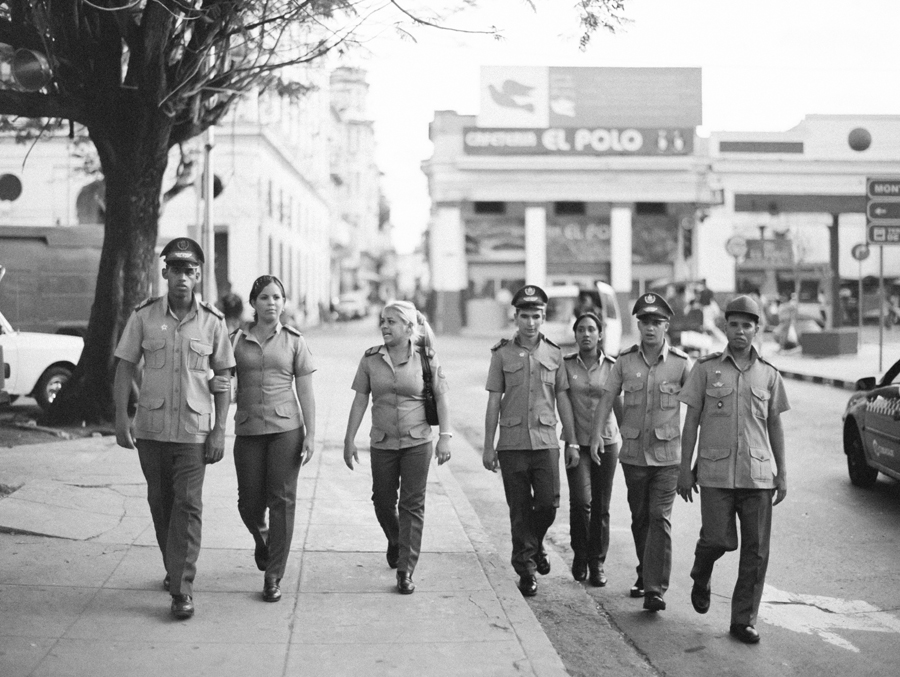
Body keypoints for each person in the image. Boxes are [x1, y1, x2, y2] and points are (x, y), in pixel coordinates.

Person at [113, 237, 234, 620]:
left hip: (193, 434)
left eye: (190, 271)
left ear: (198, 276)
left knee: (188, 505)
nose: (182, 277)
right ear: (164, 272)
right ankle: (174, 565)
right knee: (160, 503)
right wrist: (121, 418)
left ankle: (182, 588)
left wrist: (219, 430)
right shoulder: (144, 316)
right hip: (151, 430)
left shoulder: (213, 322)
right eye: (176, 269)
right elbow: (125, 367)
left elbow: (225, 377)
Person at [676, 295, 789, 645]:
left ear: (757, 330)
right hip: (715, 473)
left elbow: (774, 425)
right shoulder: (705, 369)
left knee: (756, 550)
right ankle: (701, 571)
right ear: (725, 327)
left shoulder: (769, 374)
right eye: (734, 325)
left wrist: (782, 473)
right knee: (718, 539)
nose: (740, 331)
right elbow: (691, 421)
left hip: (757, 475)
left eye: (747, 325)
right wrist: (684, 469)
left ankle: (743, 620)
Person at [210, 275, 316, 603]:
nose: (272, 303)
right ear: (254, 303)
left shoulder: (295, 341)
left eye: (277, 297)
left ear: (284, 303)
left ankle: (273, 575)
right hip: (249, 429)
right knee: (249, 502)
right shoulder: (236, 340)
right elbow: (222, 381)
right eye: (265, 297)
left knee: (282, 501)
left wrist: (311, 434)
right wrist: (216, 409)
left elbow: (305, 391)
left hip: (287, 430)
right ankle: (264, 539)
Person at [589, 293, 691, 612]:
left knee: (659, 517)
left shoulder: (681, 363)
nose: (650, 328)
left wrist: (695, 455)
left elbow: (698, 408)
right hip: (634, 456)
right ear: (638, 325)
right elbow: (607, 398)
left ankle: (654, 589)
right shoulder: (624, 361)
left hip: (668, 457)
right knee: (640, 518)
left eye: (656, 322)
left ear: (666, 326)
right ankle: (645, 573)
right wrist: (596, 435)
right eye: (645, 322)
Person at [343, 300, 451, 595]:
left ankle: (405, 570)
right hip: (383, 442)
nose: (384, 326)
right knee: (382, 501)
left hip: (417, 442)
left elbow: (442, 397)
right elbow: (360, 400)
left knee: (412, 505)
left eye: (391, 321)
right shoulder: (370, 359)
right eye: (383, 321)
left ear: (408, 326)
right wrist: (349, 439)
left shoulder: (426, 358)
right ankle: (396, 539)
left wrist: (445, 436)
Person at [483, 284, 578, 597]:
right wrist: (488, 445)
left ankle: (534, 545)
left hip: (546, 441)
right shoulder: (501, 354)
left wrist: (572, 442)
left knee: (548, 504)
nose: (531, 322)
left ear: (544, 317)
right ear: (516, 317)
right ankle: (526, 569)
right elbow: (494, 402)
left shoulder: (554, 353)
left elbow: (562, 398)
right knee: (520, 509)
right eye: (525, 316)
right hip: (511, 444)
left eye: (536, 316)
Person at [562, 312, 621, 587]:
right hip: (576, 442)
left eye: (591, 330)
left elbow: (619, 406)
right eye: (581, 330)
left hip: (606, 442)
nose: (586, 334)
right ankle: (580, 554)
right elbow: (561, 402)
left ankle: (597, 562)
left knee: (601, 504)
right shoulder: (565, 366)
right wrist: (571, 441)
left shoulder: (612, 367)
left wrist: (629, 438)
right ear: (575, 334)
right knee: (579, 501)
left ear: (600, 334)